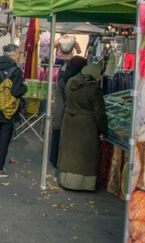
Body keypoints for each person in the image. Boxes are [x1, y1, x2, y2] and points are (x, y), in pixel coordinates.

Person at [57, 63, 108, 191]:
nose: (100, 78)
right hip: (87, 125)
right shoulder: (93, 89)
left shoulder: (70, 82)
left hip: (69, 121)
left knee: (69, 152)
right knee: (85, 155)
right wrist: (103, 130)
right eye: (99, 75)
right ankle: (84, 185)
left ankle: (65, 180)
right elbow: (99, 112)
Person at [0, 43, 27, 179]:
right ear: (13, 55)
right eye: (18, 54)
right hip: (7, 109)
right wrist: (25, 88)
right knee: (4, 139)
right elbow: (16, 91)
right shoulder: (15, 71)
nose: (19, 56)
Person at [50, 56, 88, 167]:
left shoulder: (63, 74)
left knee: (57, 135)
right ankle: (58, 161)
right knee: (61, 136)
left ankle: (54, 159)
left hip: (59, 109)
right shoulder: (72, 80)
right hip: (64, 110)